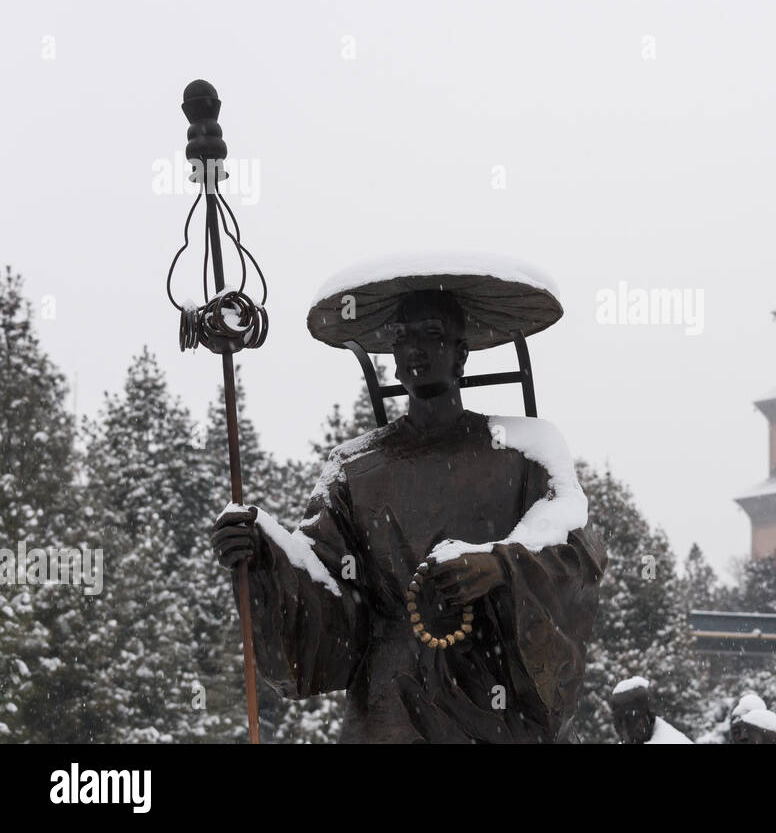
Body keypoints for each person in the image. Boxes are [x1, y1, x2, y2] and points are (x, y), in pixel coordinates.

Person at [212, 275, 606, 743]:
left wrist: (500, 566)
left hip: (491, 693)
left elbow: (578, 552)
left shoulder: (523, 449)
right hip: (390, 699)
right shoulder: (355, 467)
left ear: (461, 353)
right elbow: (324, 582)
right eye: (402, 338)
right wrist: (263, 552)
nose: (415, 349)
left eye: (431, 335)